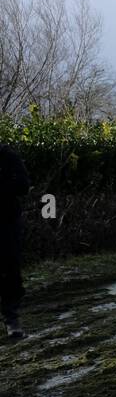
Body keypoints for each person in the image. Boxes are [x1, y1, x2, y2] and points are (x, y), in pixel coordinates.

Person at [0, 141, 31, 339]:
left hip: (6, 222)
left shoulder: (8, 156)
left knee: (10, 268)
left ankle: (11, 319)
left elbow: (24, 185)